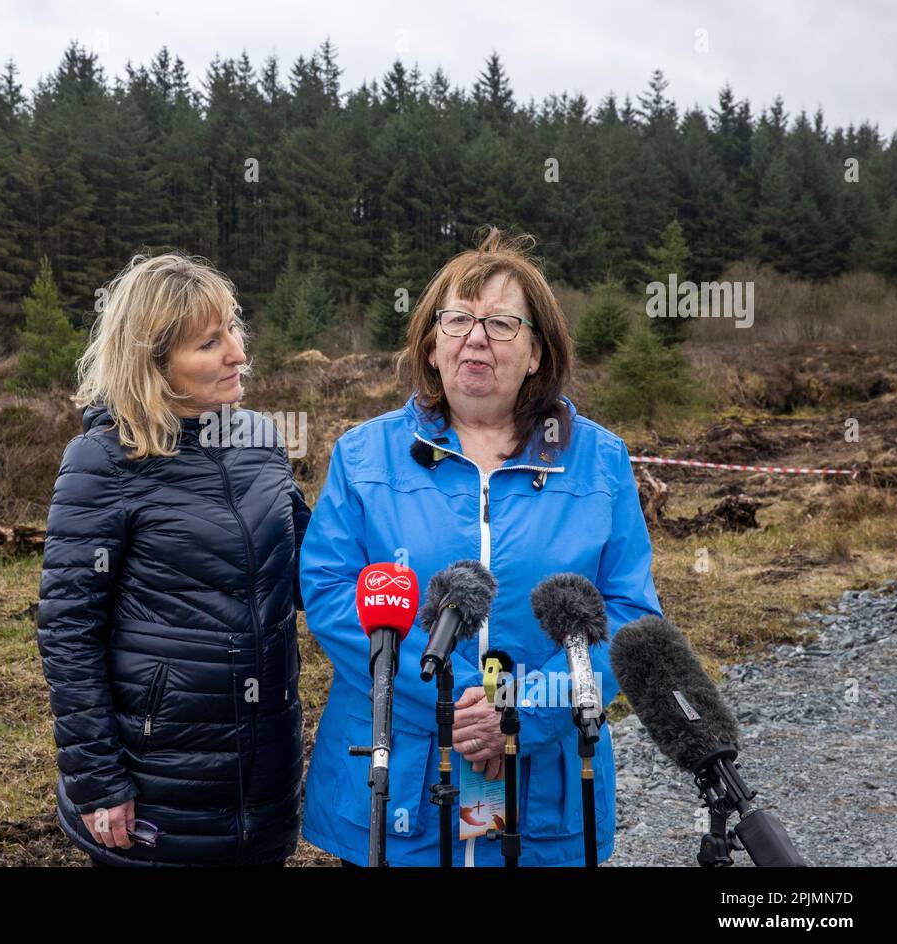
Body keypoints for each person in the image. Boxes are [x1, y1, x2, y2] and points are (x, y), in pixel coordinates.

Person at [299, 228, 662, 866]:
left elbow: (629, 614)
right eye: (458, 319)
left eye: (500, 324)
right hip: (405, 780)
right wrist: (457, 701)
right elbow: (332, 593)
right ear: (433, 345)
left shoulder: (601, 461)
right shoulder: (364, 456)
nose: (474, 337)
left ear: (536, 353)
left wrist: (521, 710)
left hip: (547, 786)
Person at [37, 252, 310, 866]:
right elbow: (68, 632)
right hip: (158, 775)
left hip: (265, 764)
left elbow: (308, 572)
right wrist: (98, 780)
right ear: (153, 361)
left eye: (234, 330)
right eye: (210, 342)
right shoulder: (102, 461)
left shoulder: (258, 440)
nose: (238, 352)